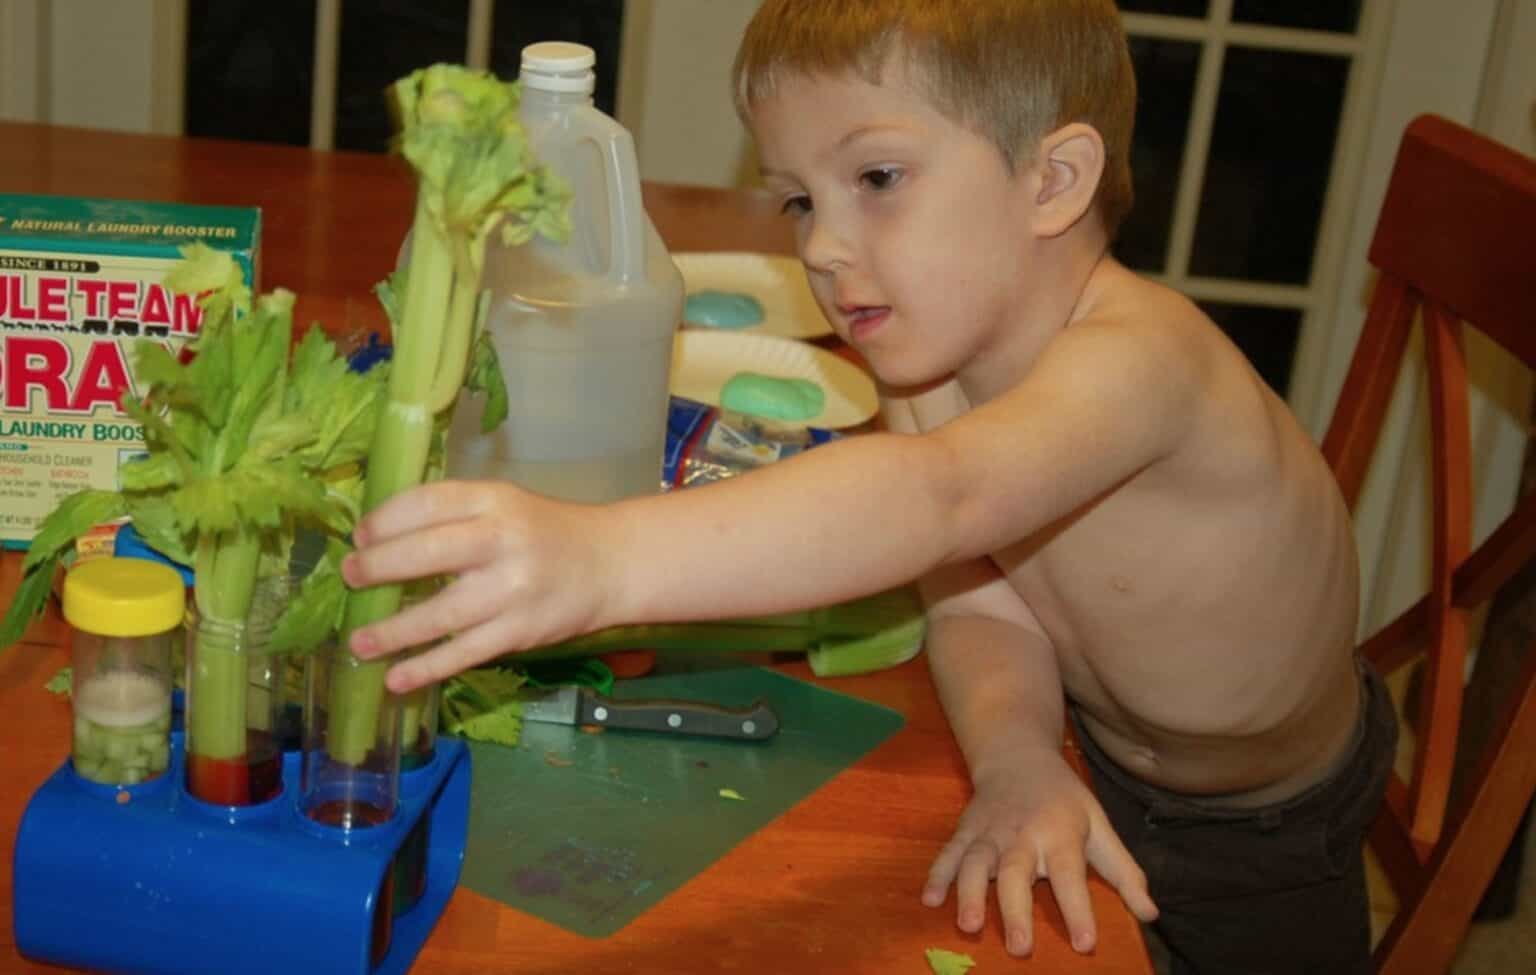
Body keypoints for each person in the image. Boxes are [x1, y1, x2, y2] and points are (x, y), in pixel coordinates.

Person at [342, 1, 1396, 970]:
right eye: (801, 200)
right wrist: (1018, 758)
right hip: (1091, 752)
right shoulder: (935, 374)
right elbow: (982, 592)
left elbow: (936, 499)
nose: (824, 249)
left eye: (878, 180)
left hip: (1267, 828)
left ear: (1054, 181)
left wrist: (604, 556)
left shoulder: (1143, 363)